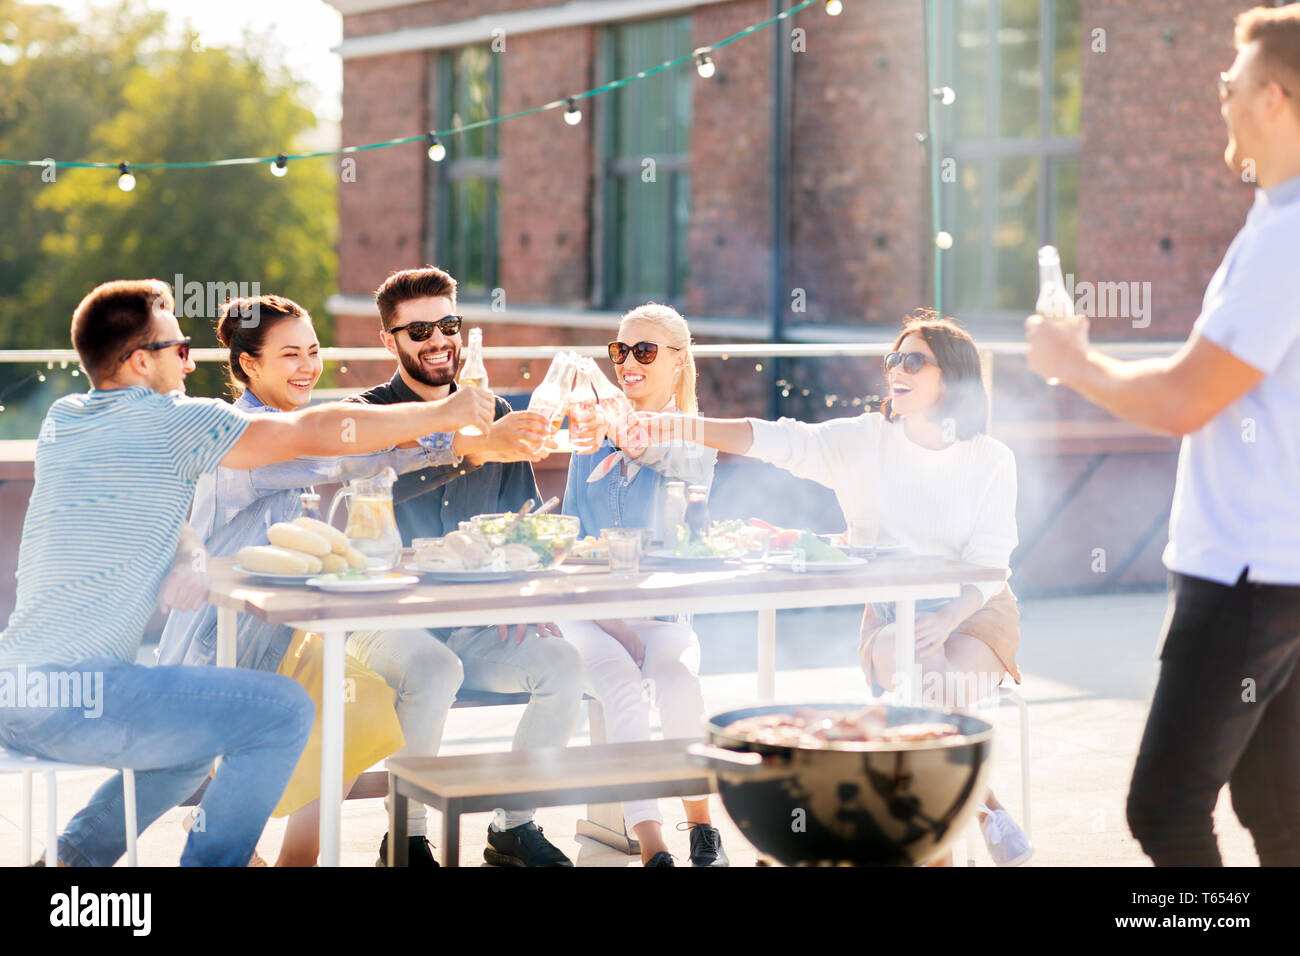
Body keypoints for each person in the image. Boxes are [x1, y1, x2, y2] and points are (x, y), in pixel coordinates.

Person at [0, 279, 493, 866]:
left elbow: (139, 509)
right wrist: (445, 414)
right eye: (177, 348)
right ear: (138, 361)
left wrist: (185, 549)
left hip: (21, 687)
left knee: (187, 753)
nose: (190, 359)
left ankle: (69, 862)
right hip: (84, 697)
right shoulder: (174, 423)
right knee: (283, 710)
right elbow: (311, 432)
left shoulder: (65, 419)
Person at [1025, 4, 1300, 867]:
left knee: (1166, 809)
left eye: (1230, 84)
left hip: (1247, 572)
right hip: (1276, 568)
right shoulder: (1276, 222)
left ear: (1278, 99)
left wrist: (1072, 367)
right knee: (1279, 812)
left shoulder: (1287, 238)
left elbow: (1187, 398)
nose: (1218, 99)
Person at [638, 311, 1032, 866]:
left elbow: (992, 566)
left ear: (954, 379)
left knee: (927, 685)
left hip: (977, 614)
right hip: (894, 618)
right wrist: (683, 426)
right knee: (914, 671)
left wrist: (946, 620)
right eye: (893, 357)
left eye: (914, 360)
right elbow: (772, 439)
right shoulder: (864, 441)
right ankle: (977, 812)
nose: (896, 368)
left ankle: (940, 837)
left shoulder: (991, 459)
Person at [158, 293, 537, 866]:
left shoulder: (287, 424)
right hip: (221, 646)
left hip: (279, 636)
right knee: (332, 715)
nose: (308, 366)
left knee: (361, 707)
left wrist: (473, 446)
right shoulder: (245, 435)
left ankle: (288, 852)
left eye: (313, 350)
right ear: (247, 365)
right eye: (289, 355)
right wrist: (458, 434)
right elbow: (348, 457)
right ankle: (226, 828)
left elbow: (364, 458)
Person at [348, 265, 586, 867]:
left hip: (474, 624)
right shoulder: (367, 414)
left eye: (448, 324)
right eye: (418, 329)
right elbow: (369, 489)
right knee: (434, 667)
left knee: (563, 662)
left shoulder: (499, 410)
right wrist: (470, 444)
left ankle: (514, 826)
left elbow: (526, 523)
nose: (437, 341)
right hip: (382, 626)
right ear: (389, 341)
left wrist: (527, 602)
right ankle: (404, 836)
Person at [559, 303, 725, 867]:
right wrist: (608, 619)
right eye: (620, 350)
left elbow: (693, 471)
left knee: (676, 678)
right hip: (590, 611)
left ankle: (702, 826)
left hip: (662, 612)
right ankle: (654, 846)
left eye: (645, 351)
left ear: (679, 362)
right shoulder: (590, 434)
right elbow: (570, 537)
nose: (628, 362)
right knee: (623, 686)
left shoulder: (694, 435)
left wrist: (631, 440)